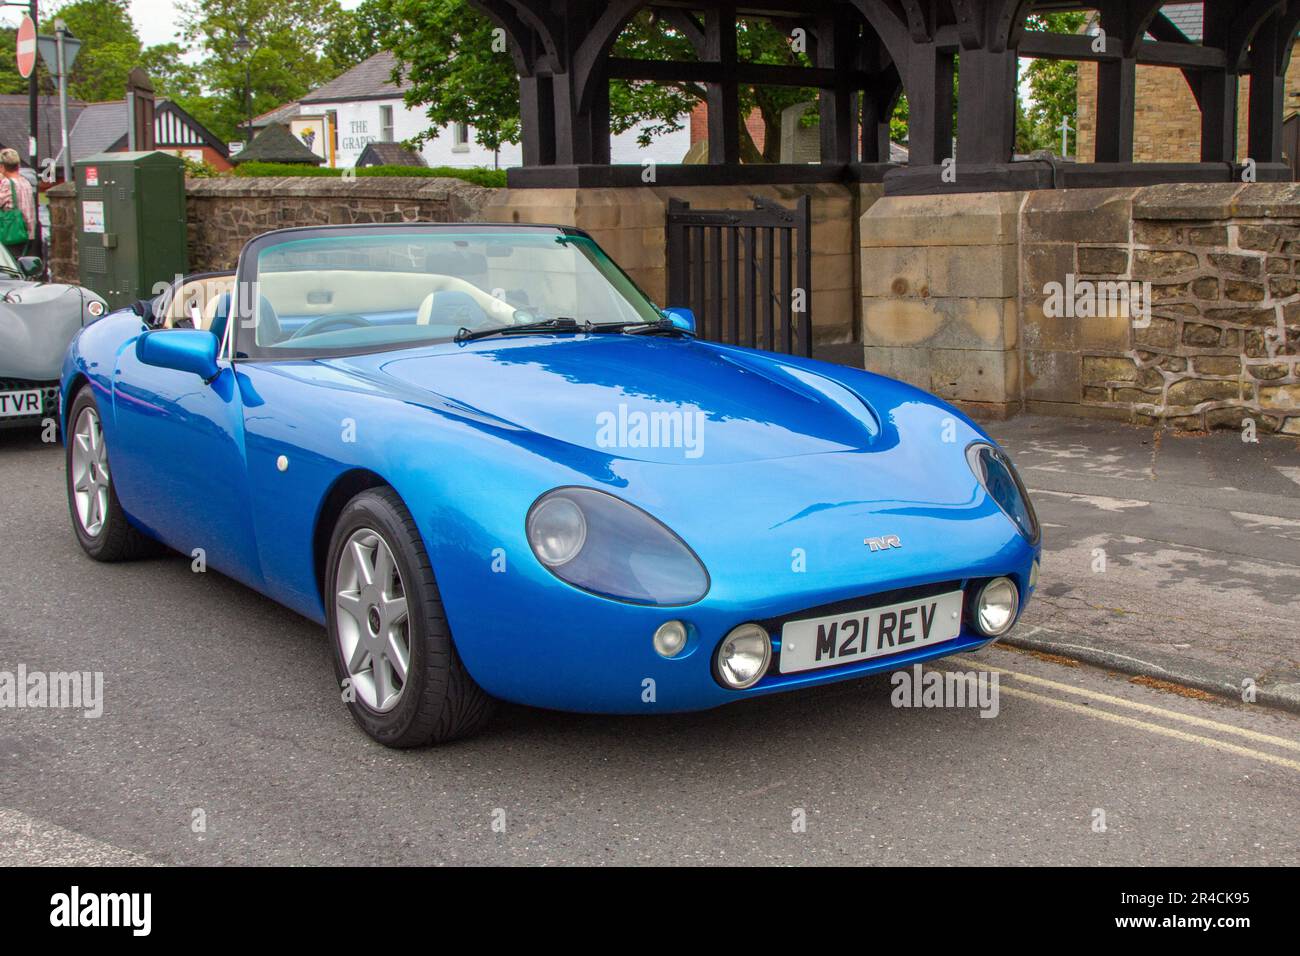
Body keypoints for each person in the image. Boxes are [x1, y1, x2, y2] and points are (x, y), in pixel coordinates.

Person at [0, 147, 35, 260]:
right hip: (26, 234)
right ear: (18, 165)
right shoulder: (25, 182)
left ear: (2, 166)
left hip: (11, 233)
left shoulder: (6, 183)